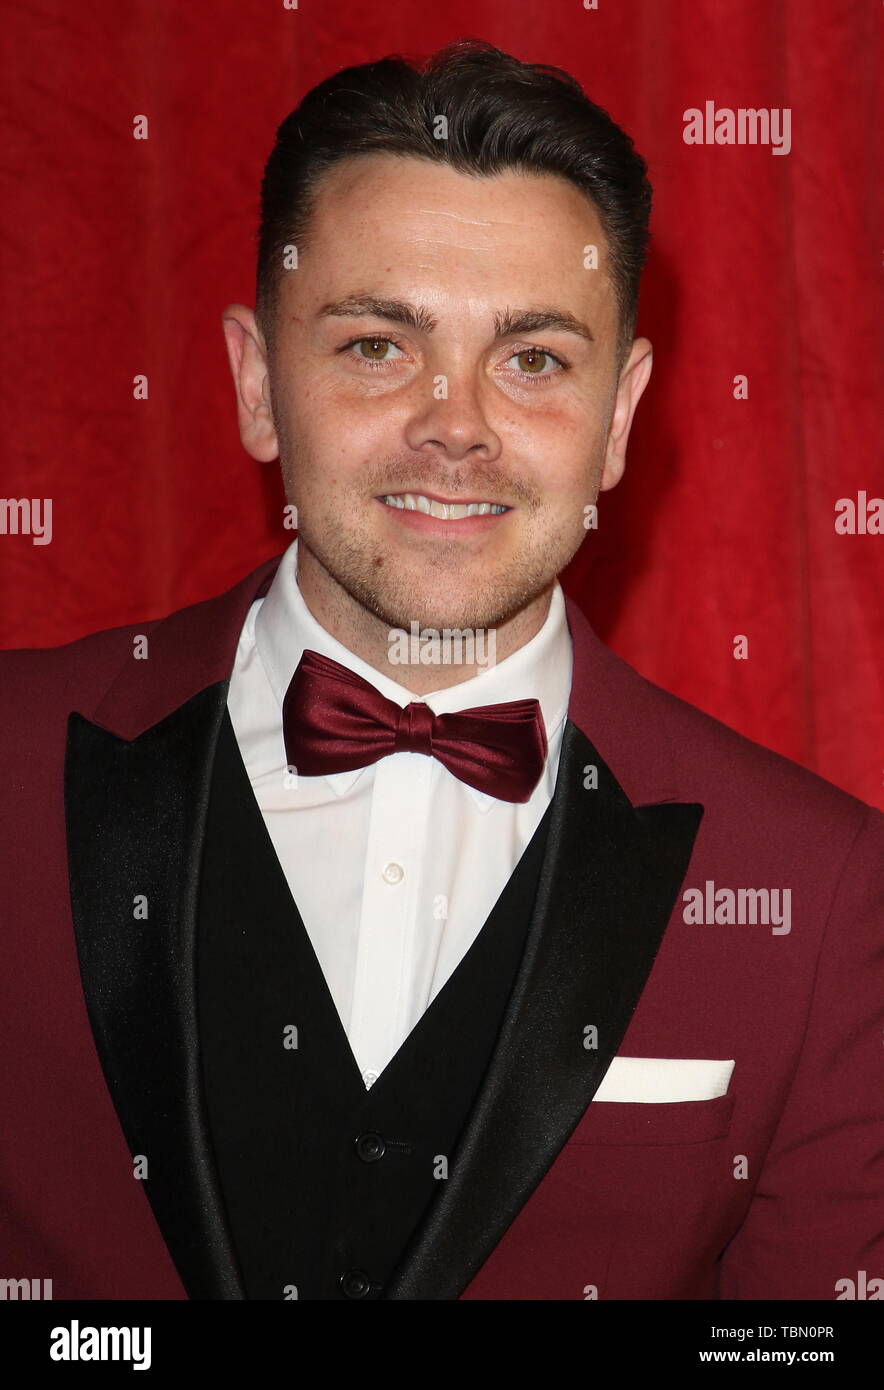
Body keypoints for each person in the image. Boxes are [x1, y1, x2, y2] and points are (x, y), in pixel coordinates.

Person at [1, 39, 881, 1302]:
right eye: (374, 345)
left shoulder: (821, 891)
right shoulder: (10, 760)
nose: (453, 422)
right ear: (258, 384)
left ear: (620, 417)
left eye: (532, 359)